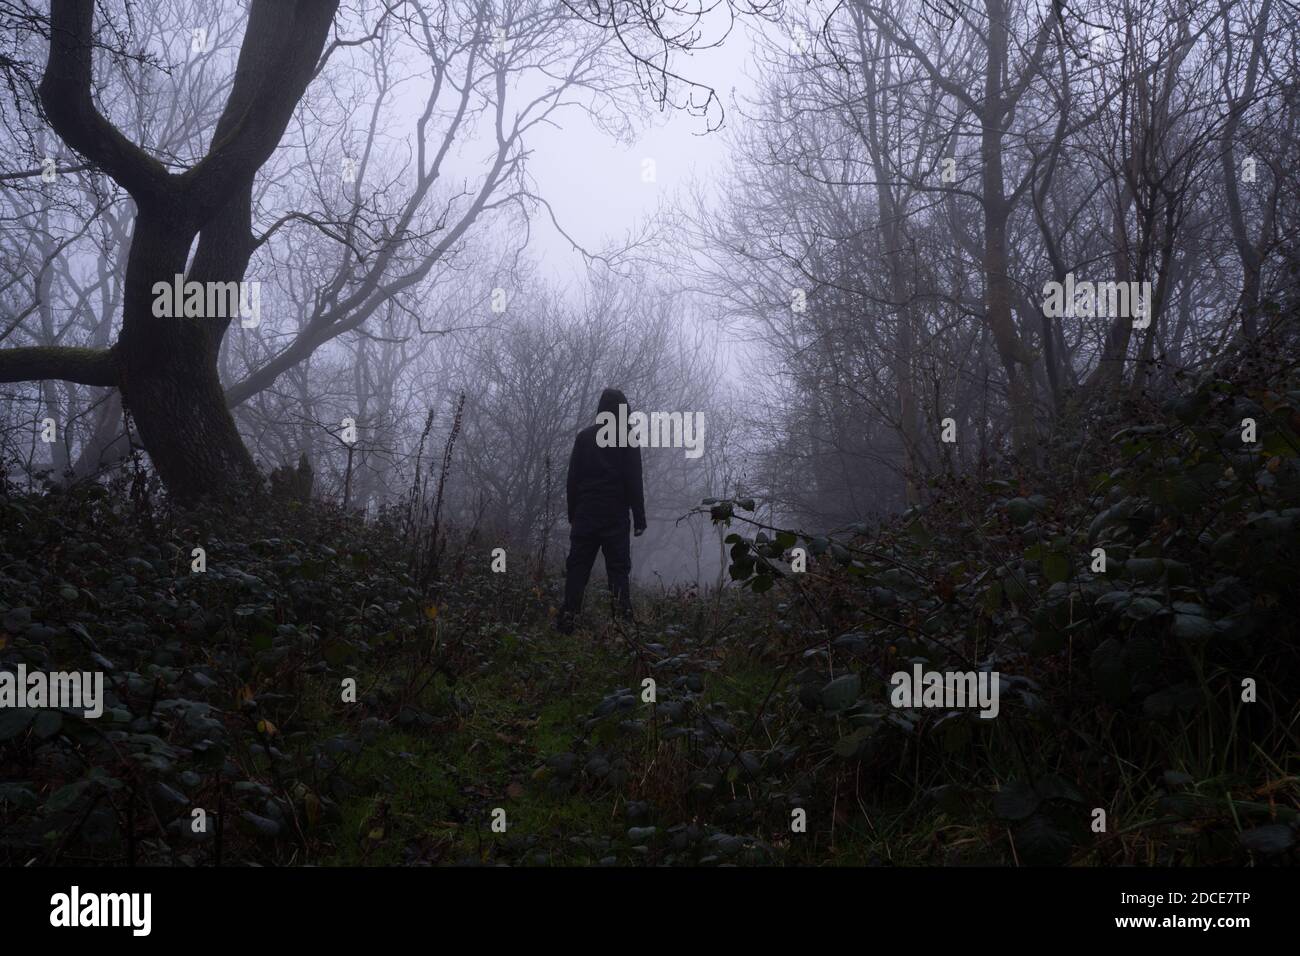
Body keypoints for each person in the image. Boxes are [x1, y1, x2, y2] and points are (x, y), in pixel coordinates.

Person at [556, 387, 646, 633]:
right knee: (618, 571)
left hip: (586, 514)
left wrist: (573, 512)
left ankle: (568, 621)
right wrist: (639, 519)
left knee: (577, 568)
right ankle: (624, 626)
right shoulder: (628, 439)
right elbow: (634, 481)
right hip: (615, 518)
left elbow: (572, 479)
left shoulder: (584, 437)